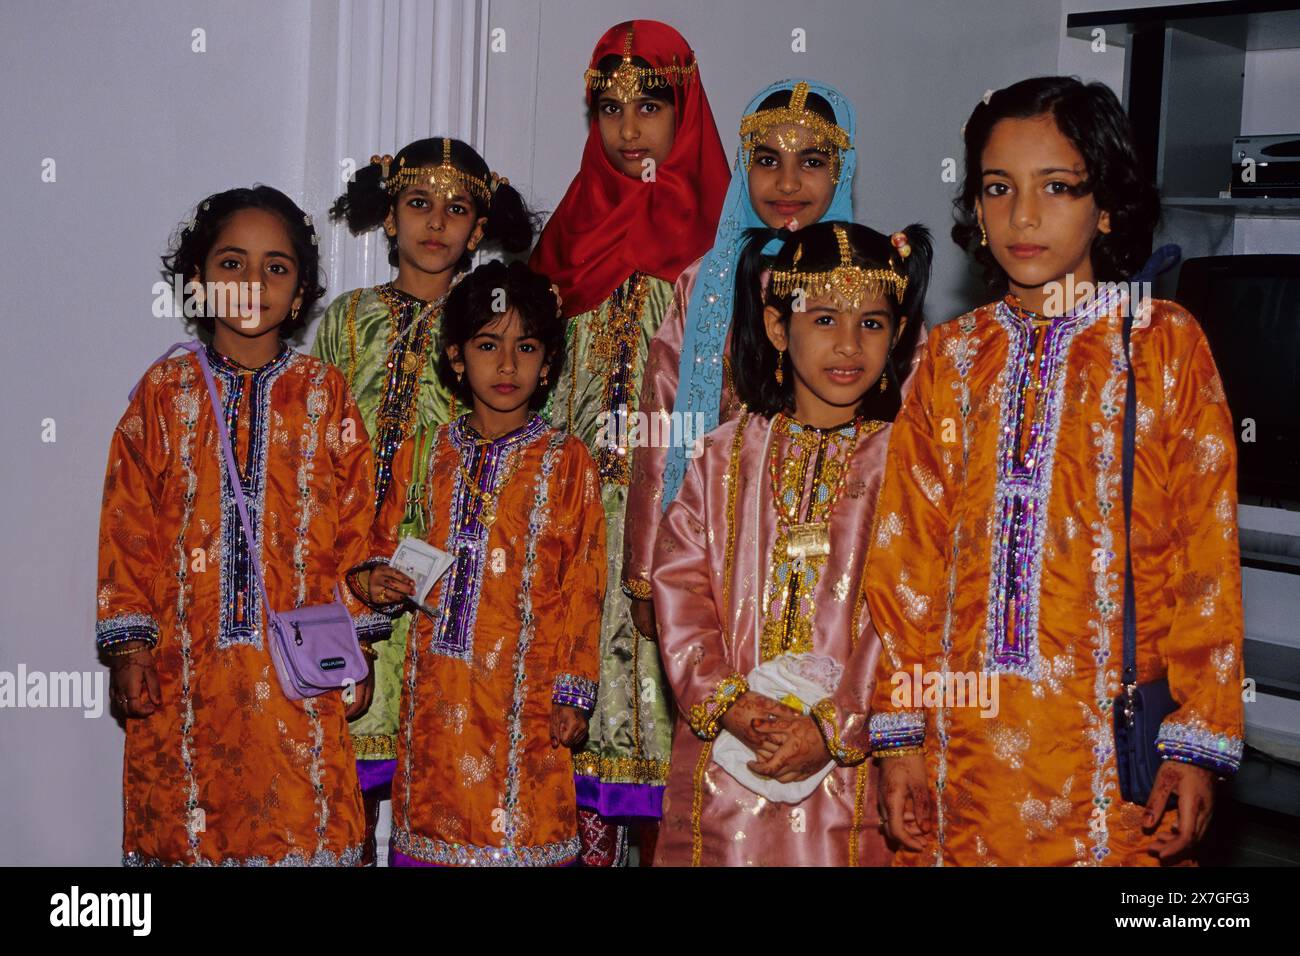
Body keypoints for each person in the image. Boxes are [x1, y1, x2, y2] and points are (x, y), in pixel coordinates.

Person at [868, 76, 1245, 866]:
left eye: (1058, 187)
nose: (1023, 216)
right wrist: (898, 740)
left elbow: (1204, 562)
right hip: (956, 757)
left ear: (1105, 206)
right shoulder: (950, 356)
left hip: (1106, 764)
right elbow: (907, 563)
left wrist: (1199, 741)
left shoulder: (1164, 344)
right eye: (998, 188)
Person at [96, 186, 388, 865]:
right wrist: (130, 645)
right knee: (188, 831)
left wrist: (358, 642)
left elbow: (357, 522)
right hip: (184, 670)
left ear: (303, 289)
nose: (253, 283)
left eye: (276, 267)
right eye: (232, 263)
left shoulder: (326, 392)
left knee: (304, 827)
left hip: (300, 672)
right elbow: (127, 521)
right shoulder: (164, 393)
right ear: (197, 280)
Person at [653, 221, 930, 866]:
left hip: (847, 768)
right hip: (728, 750)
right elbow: (681, 585)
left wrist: (835, 726)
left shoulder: (908, 467)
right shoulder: (722, 457)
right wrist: (732, 703)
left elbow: (907, 613)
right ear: (779, 330)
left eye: (873, 323)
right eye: (825, 318)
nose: (849, 344)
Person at [530, 18, 730, 864]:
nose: (628, 127)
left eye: (650, 103)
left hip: (677, 536)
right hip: (570, 533)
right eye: (609, 107)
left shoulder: (723, 245)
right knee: (561, 771)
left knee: (669, 776)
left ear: (685, 109)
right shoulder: (564, 238)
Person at [313, 137, 536, 861]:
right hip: (352, 574)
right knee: (343, 793)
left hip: (451, 596)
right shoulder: (347, 322)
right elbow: (316, 458)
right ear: (388, 217)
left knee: (440, 794)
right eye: (418, 204)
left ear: (478, 228)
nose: (435, 223)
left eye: (456, 209)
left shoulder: (492, 333)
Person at [352, 259, 606, 866]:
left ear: (548, 364)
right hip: (439, 694)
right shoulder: (424, 454)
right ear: (457, 357)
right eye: (488, 345)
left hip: (529, 701)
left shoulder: (568, 461)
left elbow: (585, 583)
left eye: (526, 347)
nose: (508, 365)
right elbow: (373, 544)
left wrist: (575, 690)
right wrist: (370, 584)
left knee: (523, 831)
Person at [624, 79, 859, 646]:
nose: (786, 183)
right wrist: (645, 573)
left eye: (812, 162)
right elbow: (662, 423)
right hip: (720, 539)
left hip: (846, 548)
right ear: (741, 165)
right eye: (766, 160)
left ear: (842, 170)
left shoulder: (871, 282)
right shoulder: (705, 282)